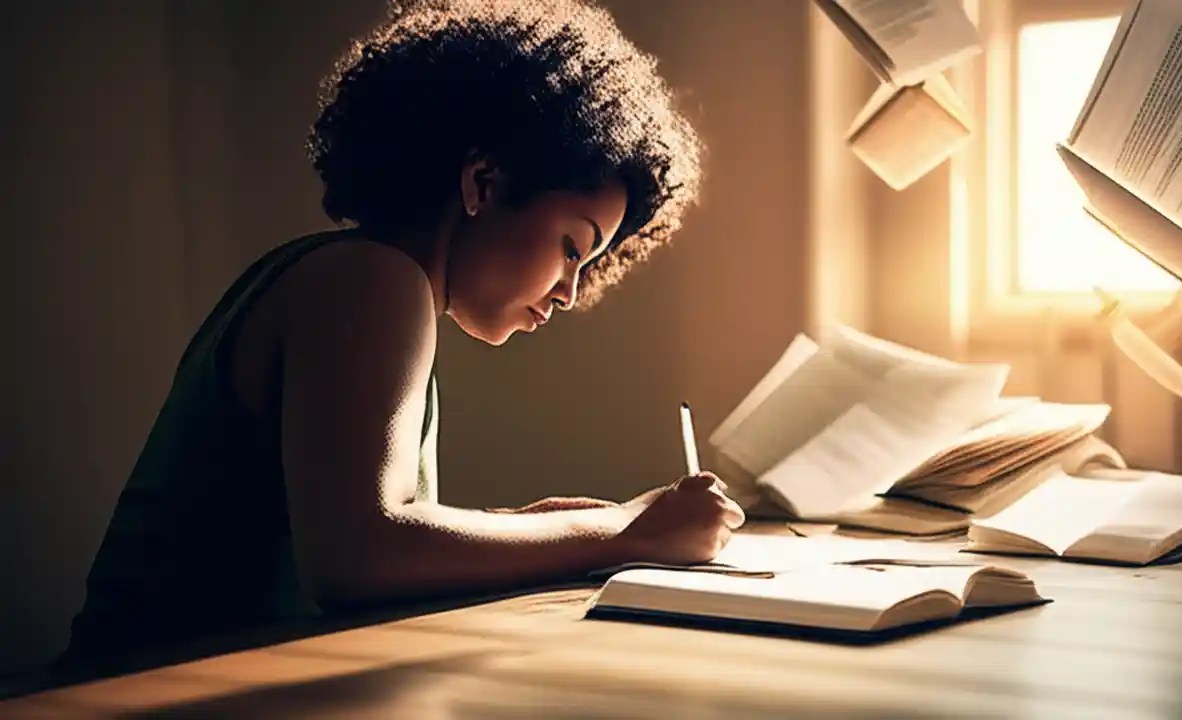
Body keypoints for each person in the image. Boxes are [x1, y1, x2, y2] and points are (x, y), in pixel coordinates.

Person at [62, 0, 744, 668]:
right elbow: (361, 557)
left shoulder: (349, 279)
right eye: (573, 247)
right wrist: (620, 531)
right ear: (483, 182)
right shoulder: (370, 283)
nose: (570, 293)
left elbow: (360, 535)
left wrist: (534, 523)